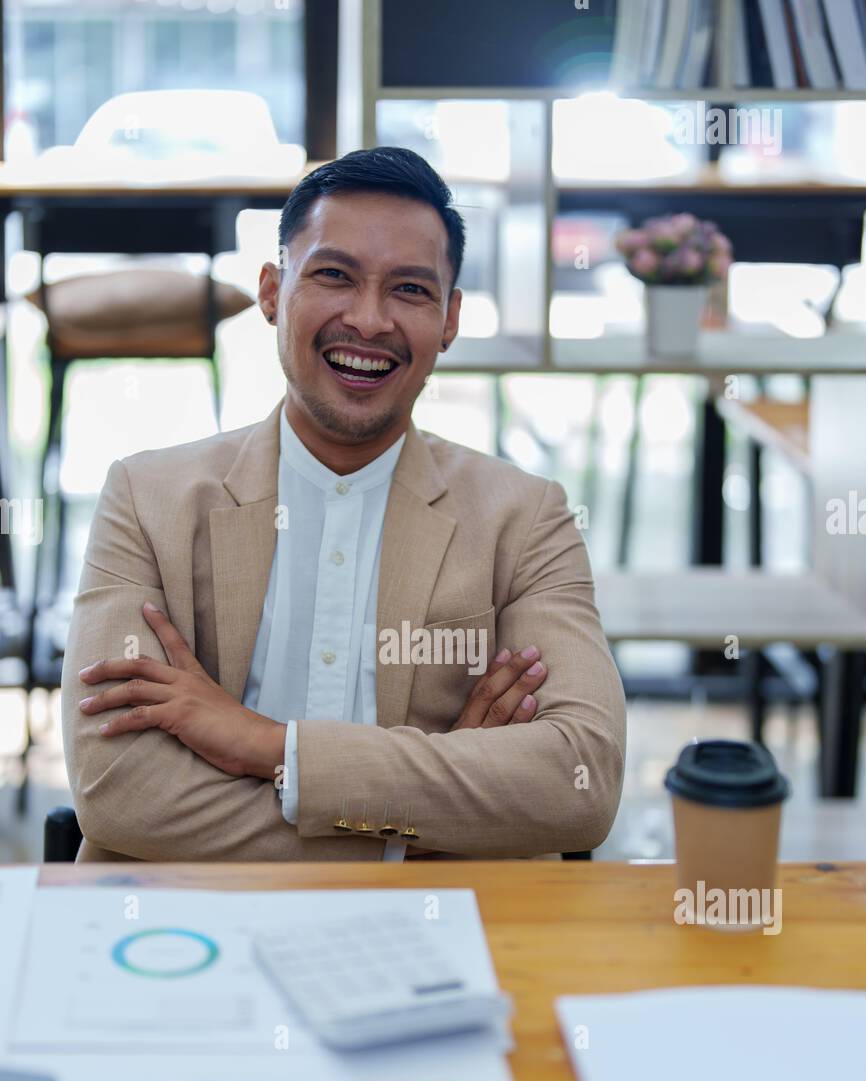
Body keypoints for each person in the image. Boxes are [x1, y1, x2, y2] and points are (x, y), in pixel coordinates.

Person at [61, 146, 626, 862]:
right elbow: (121, 792)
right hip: (190, 924)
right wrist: (428, 822)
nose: (368, 320)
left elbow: (578, 783)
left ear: (449, 319)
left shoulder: (527, 518)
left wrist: (266, 745)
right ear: (272, 290)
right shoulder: (147, 499)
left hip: (442, 929)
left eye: (411, 291)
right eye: (334, 275)